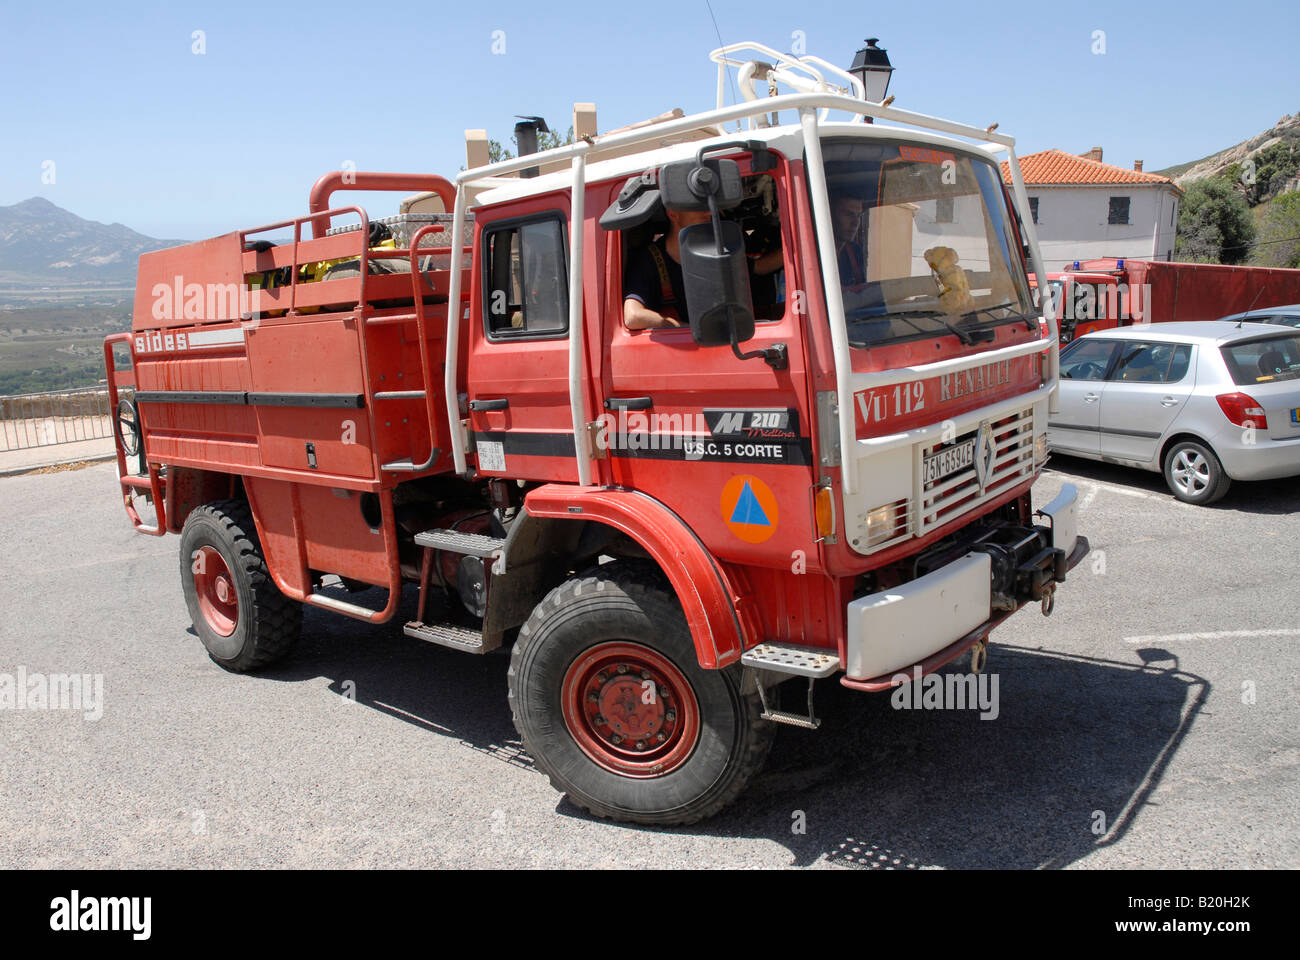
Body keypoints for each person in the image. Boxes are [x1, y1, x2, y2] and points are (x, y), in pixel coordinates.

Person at [622, 207, 783, 330]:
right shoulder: (649, 260)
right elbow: (633, 316)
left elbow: (759, 267)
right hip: (680, 357)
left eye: (708, 205)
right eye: (698, 206)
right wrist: (683, 329)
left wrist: (799, 247)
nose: (708, 212)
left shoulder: (716, 251)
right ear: (673, 213)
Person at [830, 191, 867, 286]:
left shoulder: (856, 252)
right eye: (849, 214)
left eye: (858, 216)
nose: (855, 222)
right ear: (830, 215)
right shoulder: (814, 255)